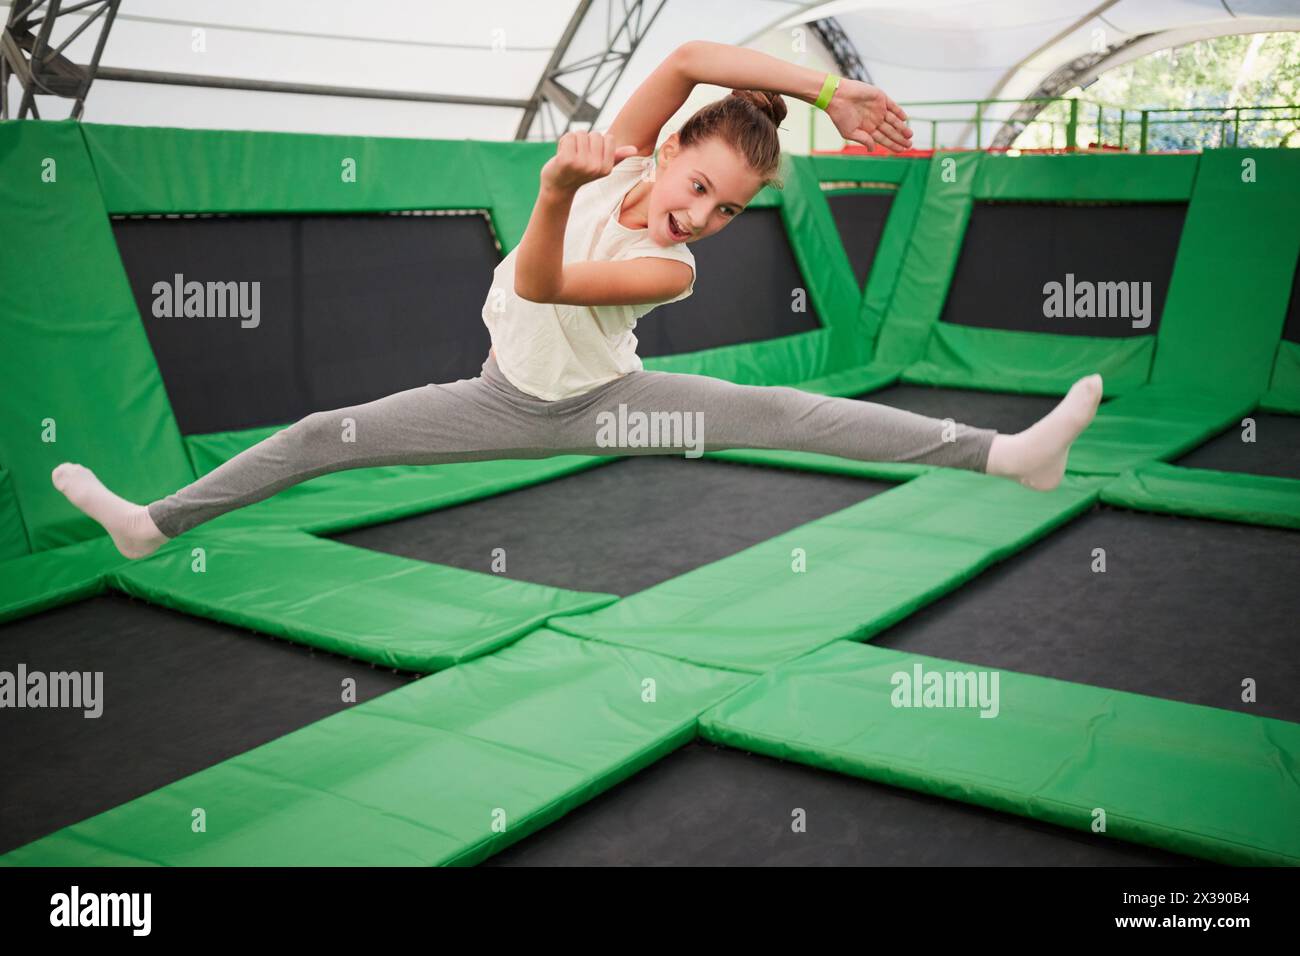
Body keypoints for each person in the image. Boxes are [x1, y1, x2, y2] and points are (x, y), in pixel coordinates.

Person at [52, 40, 1103, 561]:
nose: (701, 215)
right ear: (673, 146)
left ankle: (1006, 455)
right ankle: (153, 523)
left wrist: (553, 191)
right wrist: (829, 90)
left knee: (790, 416)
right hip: (501, 395)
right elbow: (690, 58)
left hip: (611, 404)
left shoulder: (670, 267)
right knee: (325, 434)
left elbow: (546, 277)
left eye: (730, 211)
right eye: (699, 186)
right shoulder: (625, 159)